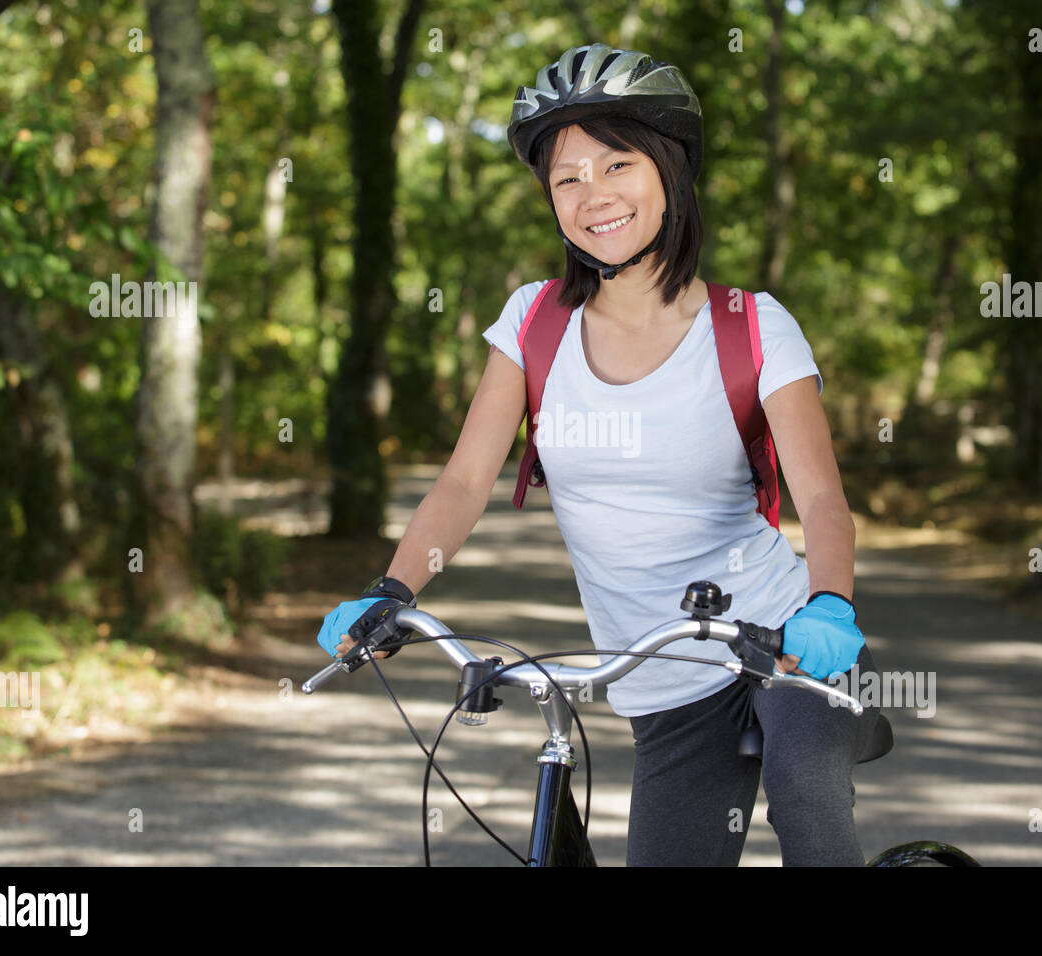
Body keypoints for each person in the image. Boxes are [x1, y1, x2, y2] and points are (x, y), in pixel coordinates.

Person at [317, 42, 882, 866]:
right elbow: (467, 479)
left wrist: (828, 605)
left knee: (804, 788)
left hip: (779, 642)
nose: (594, 195)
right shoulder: (533, 321)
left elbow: (823, 501)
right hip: (659, 682)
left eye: (616, 164)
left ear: (669, 173)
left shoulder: (752, 326)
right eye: (567, 178)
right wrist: (393, 589)